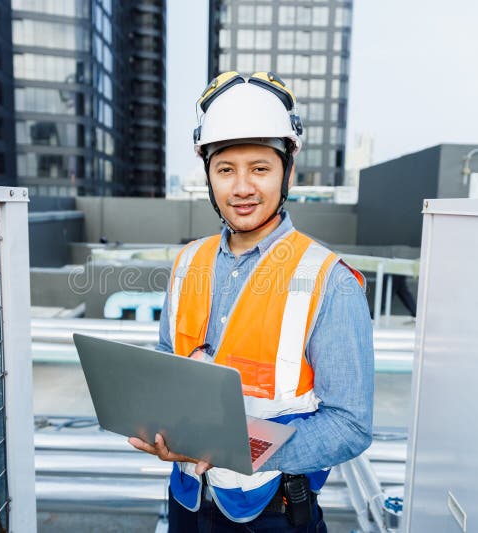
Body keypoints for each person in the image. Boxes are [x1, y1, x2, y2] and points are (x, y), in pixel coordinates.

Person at [129, 71, 374, 532]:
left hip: (273, 513)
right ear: (208, 175)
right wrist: (157, 418)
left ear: (287, 171)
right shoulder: (189, 261)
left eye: (260, 168)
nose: (242, 187)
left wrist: (233, 446)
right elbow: (169, 360)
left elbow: (349, 425)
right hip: (185, 498)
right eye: (226, 169)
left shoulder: (330, 280)